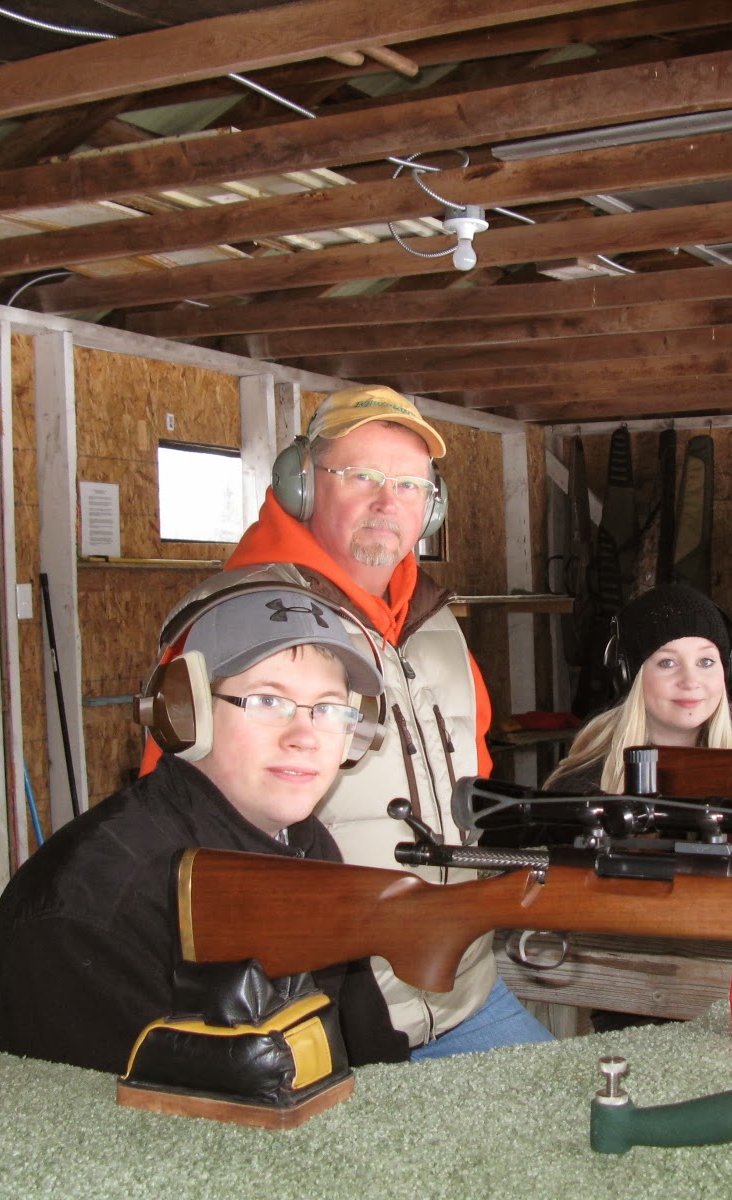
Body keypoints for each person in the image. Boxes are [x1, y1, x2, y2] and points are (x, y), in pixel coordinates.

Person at [152, 384, 552, 1060]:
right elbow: (176, 841)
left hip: (465, 992)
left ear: (432, 506)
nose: (385, 501)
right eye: (361, 476)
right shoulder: (234, 624)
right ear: (302, 483)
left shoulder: (435, 627)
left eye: (407, 484)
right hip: (328, 1014)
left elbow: (471, 786)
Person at [0, 584, 408, 1073]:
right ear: (186, 711)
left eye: (328, 708)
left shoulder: (308, 847)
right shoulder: (91, 905)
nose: (305, 737)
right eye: (268, 701)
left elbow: (367, 1051)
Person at [545, 583, 732, 794]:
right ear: (628, 676)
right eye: (667, 663)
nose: (691, 681)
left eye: (705, 662)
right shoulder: (580, 788)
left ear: (728, 671)